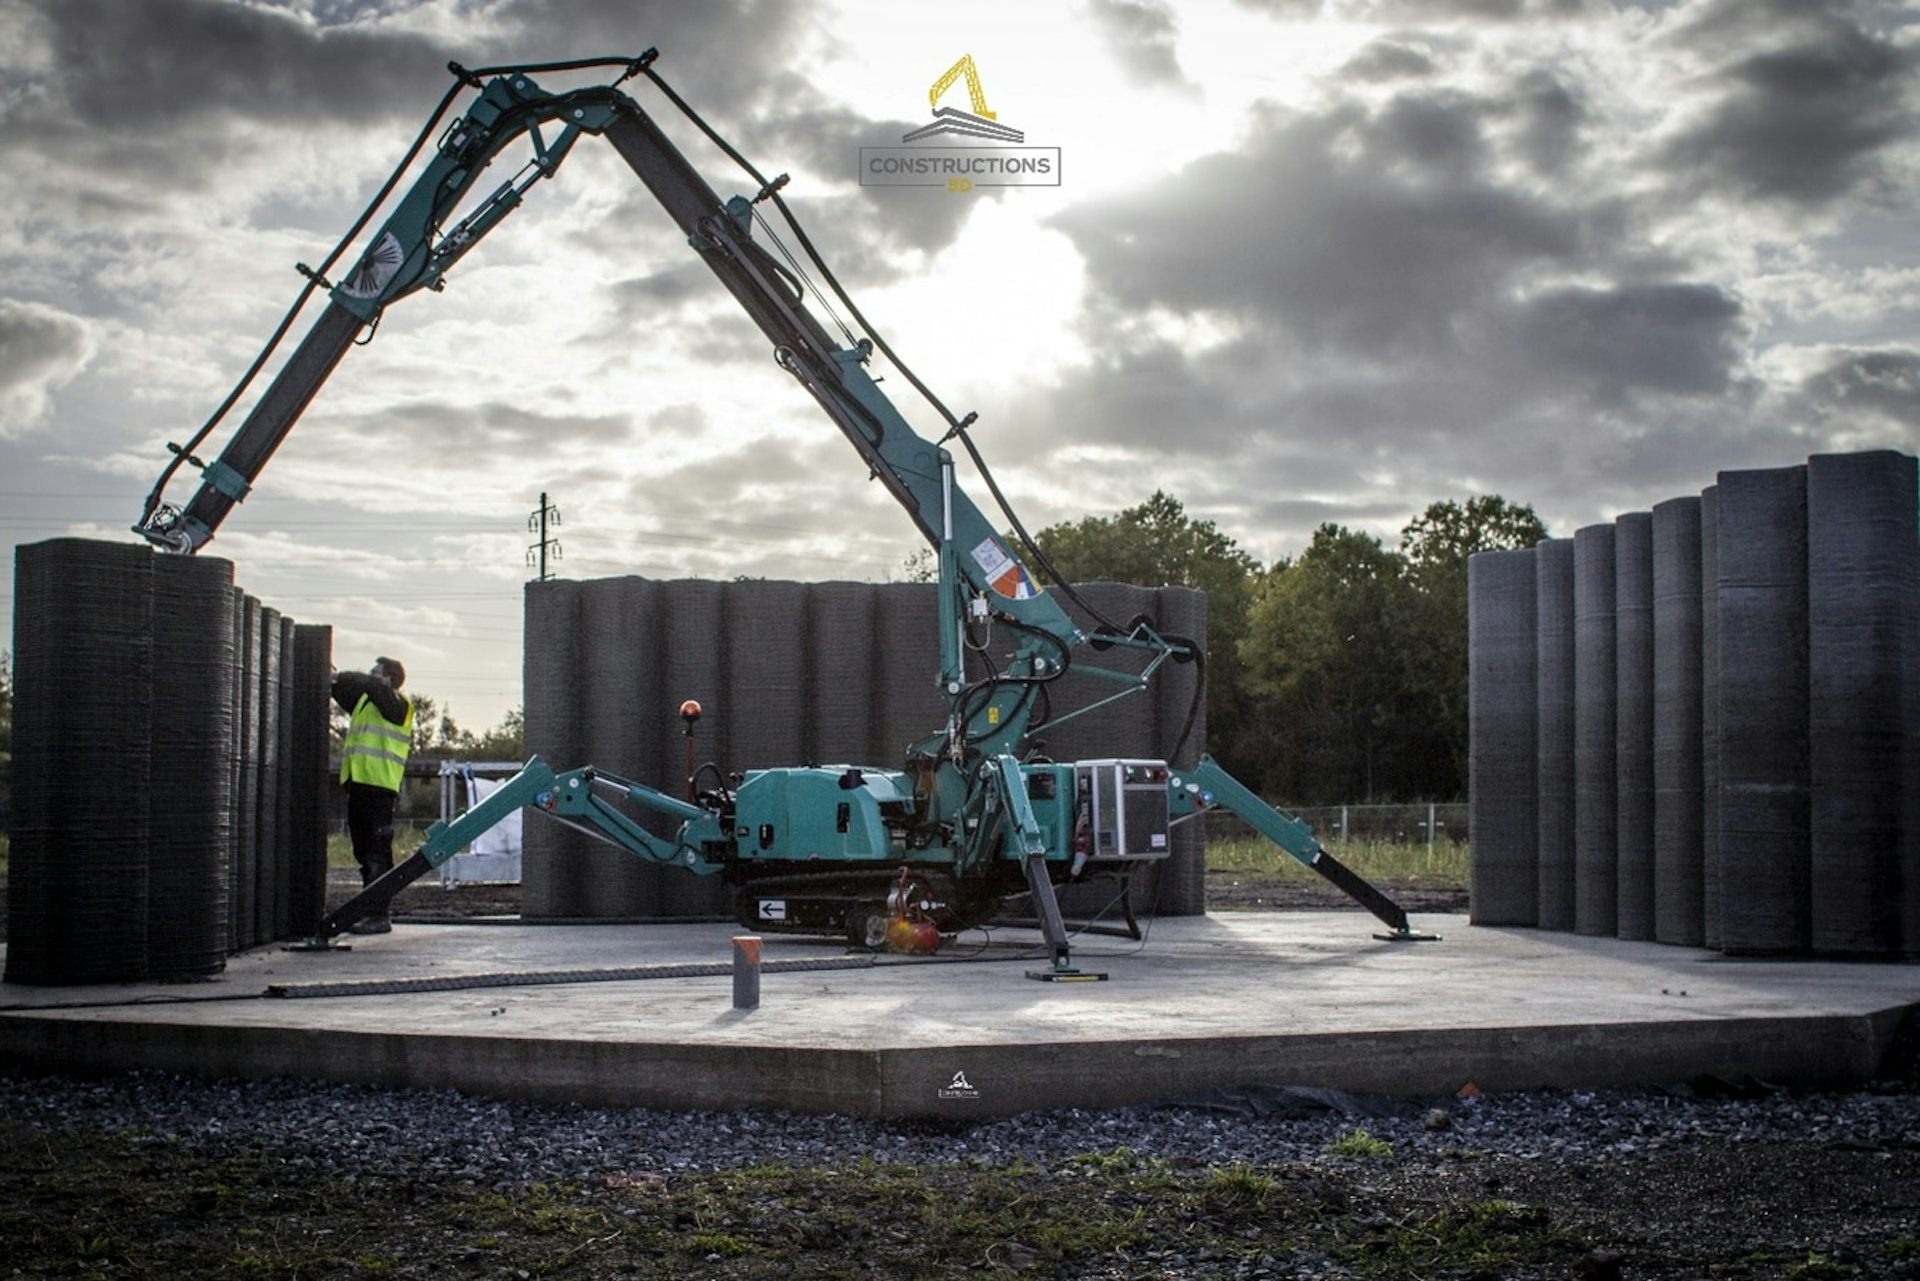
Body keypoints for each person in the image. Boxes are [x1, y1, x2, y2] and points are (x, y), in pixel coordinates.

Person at [332, 656, 415, 934]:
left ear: (388, 678)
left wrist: (345, 674)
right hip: (359, 785)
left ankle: (379, 915)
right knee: (363, 853)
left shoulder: (398, 705)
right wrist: (332, 679)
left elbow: (370, 686)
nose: (369, 675)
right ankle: (370, 910)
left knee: (377, 854)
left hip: (379, 789)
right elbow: (345, 692)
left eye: (375, 671)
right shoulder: (366, 703)